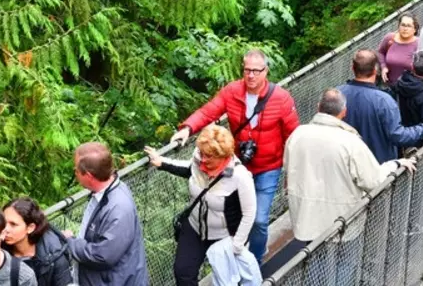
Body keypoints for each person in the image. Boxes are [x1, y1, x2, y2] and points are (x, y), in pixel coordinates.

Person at [170, 51, 297, 261]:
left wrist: (291, 172)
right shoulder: (232, 91)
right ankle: (236, 256)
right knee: (236, 217)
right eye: (247, 70)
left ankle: (255, 260)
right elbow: (209, 111)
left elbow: (293, 137)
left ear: (266, 71)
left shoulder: (281, 99)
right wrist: (188, 128)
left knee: (258, 220)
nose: (251, 75)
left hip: (268, 167)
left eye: (257, 71)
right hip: (237, 166)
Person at [282, 89, 413, 282]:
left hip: (307, 215)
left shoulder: (298, 135)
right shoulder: (350, 142)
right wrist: (395, 164)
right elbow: (373, 180)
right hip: (343, 218)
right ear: (344, 113)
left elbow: (288, 167)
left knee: (314, 260)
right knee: (344, 262)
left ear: (319, 108)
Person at [145, 126, 257, 286]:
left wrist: (237, 246)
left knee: (229, 280)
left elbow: (249, 213)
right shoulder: (199, 160)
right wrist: (161, 162)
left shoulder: (240, 176)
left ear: (223, 155)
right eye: (202, 153)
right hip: (195, 227)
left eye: (209, 156)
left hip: (225, 236)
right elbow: (188, 168)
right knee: (183, 273)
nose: (203, 160)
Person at [65, 143, 147, 286]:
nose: (75, 173)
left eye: (76, 169)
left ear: (89, 175)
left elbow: (103, 256)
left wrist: (70, 242)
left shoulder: (118, 208)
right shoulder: (106, 191)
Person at [339, 50, 423, 162]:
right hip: (379, 162)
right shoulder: (384, 101)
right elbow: (398, 136)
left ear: (352, 68)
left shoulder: (337, 94)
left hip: (346, 159)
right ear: (376, 70)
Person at [3, 198, 74, 286]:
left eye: (13, 224)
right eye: (3, 223)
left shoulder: (54, 254)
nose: (5, 230)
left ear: (30, 228)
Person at [377, 14, 420, 85]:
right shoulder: (390, 38)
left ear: (415, 29)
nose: (405, 28)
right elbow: (380, 52)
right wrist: (383, 67)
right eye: (403, 25)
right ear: (398, 26)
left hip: (408, 89)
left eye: (409, 26)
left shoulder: (419, 44)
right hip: (389, 86)